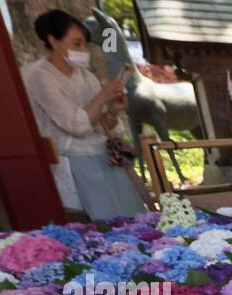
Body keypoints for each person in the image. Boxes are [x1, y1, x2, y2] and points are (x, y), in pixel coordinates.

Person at [22, 9, 144, 221]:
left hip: (104, 158)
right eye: (77, 44)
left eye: (85, 44)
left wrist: (113, 110)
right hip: (71, 162)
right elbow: (76, 125)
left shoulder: (87, 78)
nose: (84, 50)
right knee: (100, 226)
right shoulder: (38, 76)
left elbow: (101, 124)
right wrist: (103, 97)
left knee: (133, 223)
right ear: (54, 41)